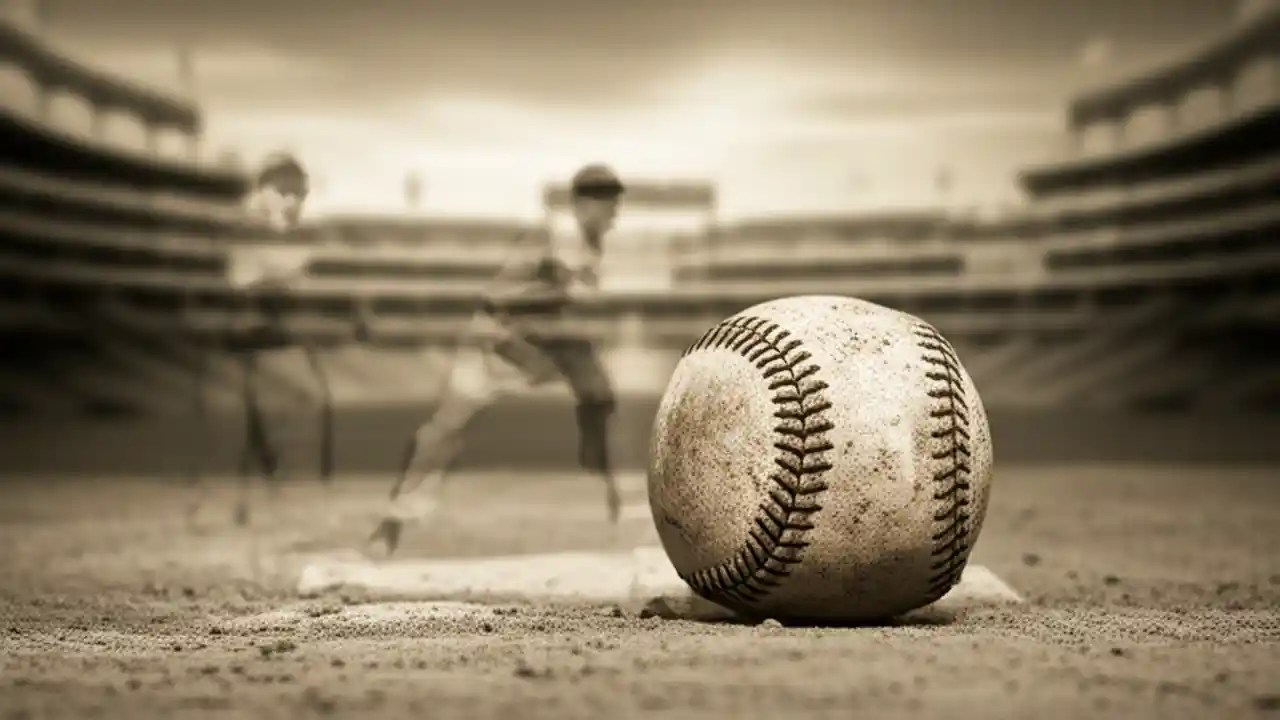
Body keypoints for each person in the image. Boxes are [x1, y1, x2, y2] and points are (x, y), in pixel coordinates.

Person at [367, 163, 625, 556]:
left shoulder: (591, 242)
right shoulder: (557, 235)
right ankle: (394, 519)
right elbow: (506, 294)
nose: (613, 215)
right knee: (447, 428)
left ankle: (604, 490)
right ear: (582, 204)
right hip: (499, 338)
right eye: (607, 205)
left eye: (614, 205)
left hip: (545, 342)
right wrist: (560, 287)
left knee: (598, 393)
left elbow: (572, 300)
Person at [197, 152, 335, 526]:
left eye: (300, 194)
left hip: (265, 339)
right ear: (266, 191)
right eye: (287, 193)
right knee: (245, 421)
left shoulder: (279, 234)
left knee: (296, 406)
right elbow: (240, 280)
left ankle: (265, 492)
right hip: (241, 341)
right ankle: (239, 498)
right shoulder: (245, 229)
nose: (295, 202)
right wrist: (288, 274)